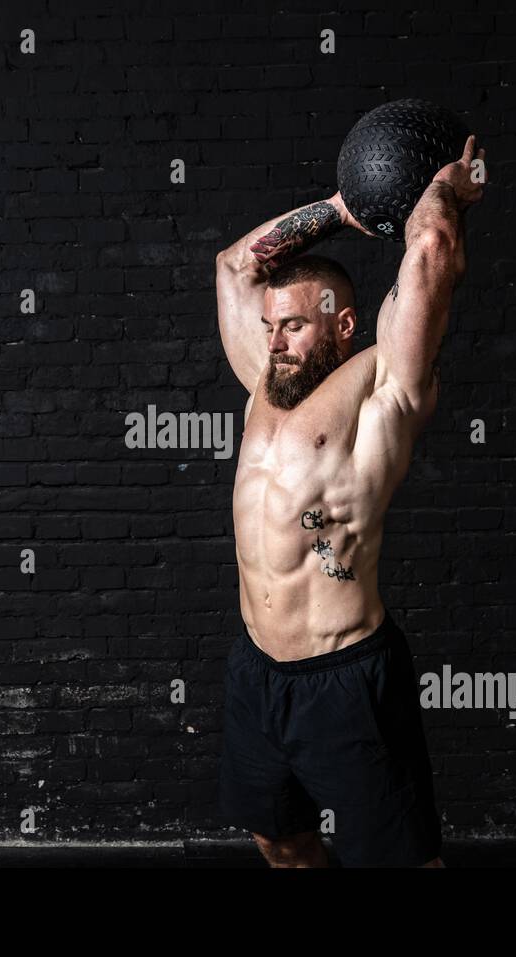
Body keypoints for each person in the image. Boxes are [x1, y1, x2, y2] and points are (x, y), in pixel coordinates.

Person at [213, 135, 486, 867]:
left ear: (343, 323)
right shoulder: (264, 386)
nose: (274, 341)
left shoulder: (386, 389)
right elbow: (236, 265)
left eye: (294, 325)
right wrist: (343, 208)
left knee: (398, 860)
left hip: (347, 677)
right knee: (281, 842)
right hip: (257, 671)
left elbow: (429, 253)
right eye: (271, 326)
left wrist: (439, 190)